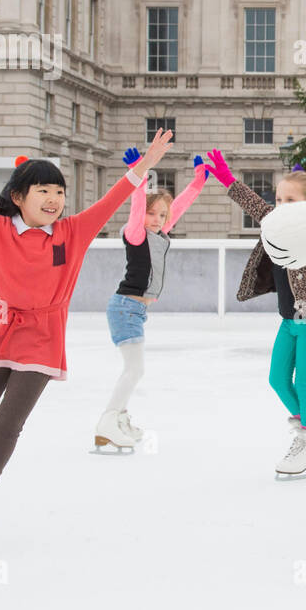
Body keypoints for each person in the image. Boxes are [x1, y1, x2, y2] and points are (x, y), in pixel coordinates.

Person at [0, 117, 172, 546]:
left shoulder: (72, 232)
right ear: (18, 197)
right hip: (0, 332)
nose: (54, 198)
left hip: (43, 338)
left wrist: (145, 166)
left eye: (59, 190)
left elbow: (114, 199)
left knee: (7, 424)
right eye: (43, 189)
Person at [206, 151, 306, 479]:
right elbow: (253, 204)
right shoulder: (274, 223)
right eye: (278, 199)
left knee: (304, 382)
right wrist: (226, 178)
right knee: (278, 379)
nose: (280, 206)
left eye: (290, 200)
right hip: (289, 320)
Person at [96, 149, 209, 452]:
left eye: (162, 215)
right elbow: (136, 207)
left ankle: (118, 420)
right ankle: (108, 421)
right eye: (152, 213)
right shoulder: (135, 234)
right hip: (125, 309)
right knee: (135, 370)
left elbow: (179, 208)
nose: (157, 219)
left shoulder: (159, 236)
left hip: (134, 311)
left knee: (133, 369)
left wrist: (197, 183)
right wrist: (140, 172)